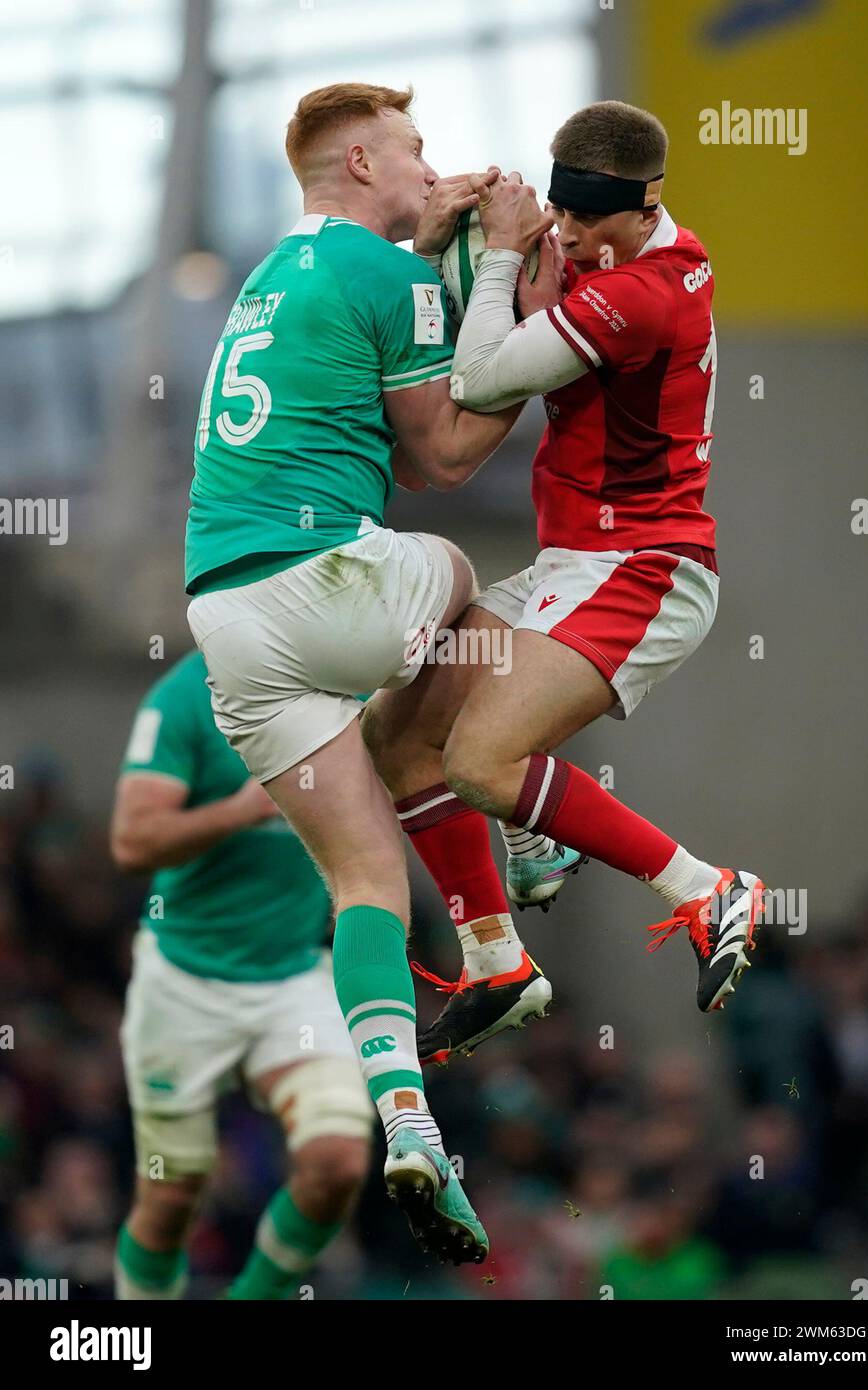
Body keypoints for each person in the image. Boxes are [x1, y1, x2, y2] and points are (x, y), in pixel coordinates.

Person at [183, 83, 549, 1263]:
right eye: (412, 150)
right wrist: (529, 338)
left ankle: (407, 1120)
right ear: (357, 163)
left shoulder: (270, 272)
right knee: (454, 566)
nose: (428, 166)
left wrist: (435, 245)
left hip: (223, 613)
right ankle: (517, 813)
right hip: (322, 575)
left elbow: (371, 333)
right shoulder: (384, 275)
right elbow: (439, 455)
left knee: (362, 881)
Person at [363, 101, 764, 1067]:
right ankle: (497, 959)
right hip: (571, 564)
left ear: (644, 205)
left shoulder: (647, 295)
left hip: (645, 570)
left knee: (481, 764)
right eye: (563, 210)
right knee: (396, 733)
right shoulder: (620, 252)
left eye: (589, 221)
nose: (570, 233)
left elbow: (487, 379)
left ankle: (706, 889)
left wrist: (499, 255)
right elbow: (523, 278)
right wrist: (457, 215)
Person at [111, 651, 373, 1299]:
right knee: (172, 1198)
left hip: (293, 976)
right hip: (184, 980)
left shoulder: (351, 686)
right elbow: (131, 842)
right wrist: (240, 810)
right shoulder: (183, 697)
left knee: (337, 1162)